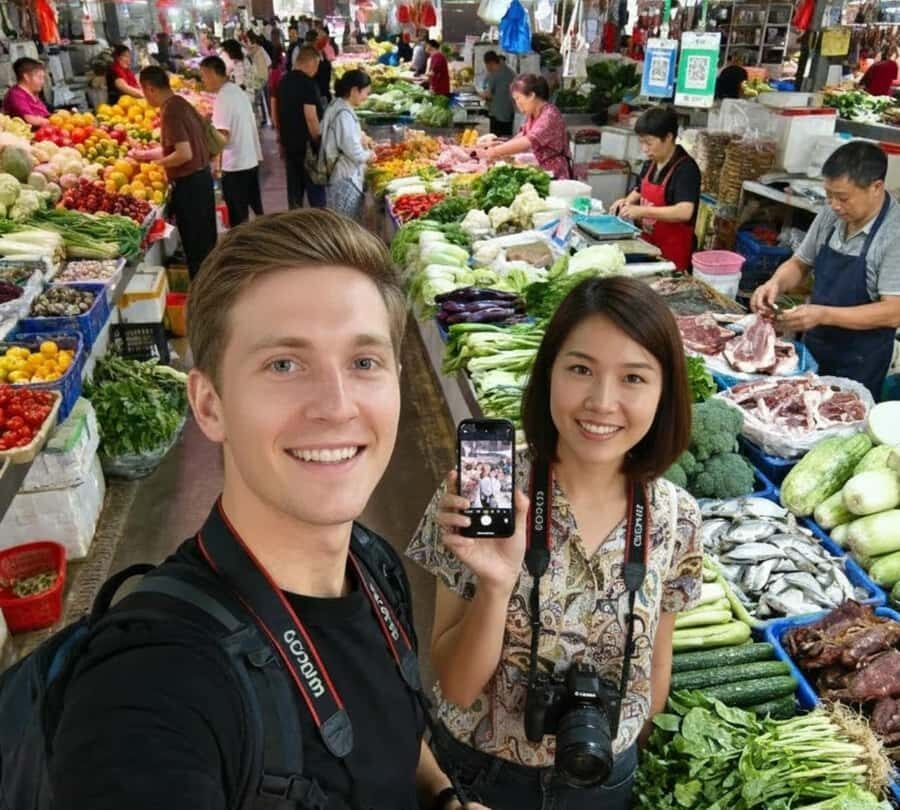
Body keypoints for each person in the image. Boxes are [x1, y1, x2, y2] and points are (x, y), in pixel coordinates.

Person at [49, 209, 491, 810]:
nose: (337, 406)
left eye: (363, 362)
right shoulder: (149, 683)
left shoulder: (373, 565)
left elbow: (388, 729)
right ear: (209, 405)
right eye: (284, 364)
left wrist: (442, 798)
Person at [407, 275, 701, 810]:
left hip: (605, 777)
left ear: (665, 394)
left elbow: (655, 672)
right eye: (580, 369)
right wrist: (495, 586)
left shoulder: (675, 516)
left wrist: (632, 741)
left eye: (634, 378)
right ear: (549, 374)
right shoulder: (486, 490)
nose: (602, 402)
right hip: (482, 775)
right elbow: (458, 688)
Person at [751, 141, 900, 400]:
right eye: (829, 195)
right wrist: (774, 283)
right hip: (816, 345)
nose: (834, 205)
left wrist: (822, 314)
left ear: (876, 187)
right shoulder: (831, 214)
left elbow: (893, 312)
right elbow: (800, 262)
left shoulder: (893, 234)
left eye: (843, 198)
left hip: (859, 361)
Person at [139, 66, 217, 280]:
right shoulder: (181, 103)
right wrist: (146, 155)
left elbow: (184, 153)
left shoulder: (170, 112)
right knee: (206, 247)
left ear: (150, 88)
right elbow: (180, 147)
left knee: (196, 251)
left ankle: (202, 294)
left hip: (190, 187)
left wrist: (159, 164)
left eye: (144, 91)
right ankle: (211, 288)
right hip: (202, 181)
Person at [609, 106, 700, 272]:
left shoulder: (686, 169)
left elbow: (685, 211)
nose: (644, 149)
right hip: (649, 245)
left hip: (673, 253)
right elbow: (640, 189)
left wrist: (642, 211)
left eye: (649, 142)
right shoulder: (651, 163)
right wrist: (626, 202)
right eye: (641, 142)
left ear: (668, 137)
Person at [200, 56, 263, 228]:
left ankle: (245, 244)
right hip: (249, 160)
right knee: (253, 214)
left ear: (213, 73)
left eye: (203, 76)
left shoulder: (223, 98)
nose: (203, 80)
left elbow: (222, 138)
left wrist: (206, 128)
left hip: (235, 166)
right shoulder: (236, 91)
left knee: (239, 219)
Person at [482, 74, 572, 179]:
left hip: (553, 174)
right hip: (540, 169)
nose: (517, 104)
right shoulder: (534, 113)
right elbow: (523, 135)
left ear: (531, 96)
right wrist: (502, 148)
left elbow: (527, 141)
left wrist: (494, 152)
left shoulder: (549, 115)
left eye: (517, 98)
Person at [275, 45, 326, 209]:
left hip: (289, 144)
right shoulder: (308, 84)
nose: (316, 70)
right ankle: (318, 220)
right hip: (307, 148)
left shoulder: (283, 81)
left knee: (294, 190)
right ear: (311, 62)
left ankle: (295, 219)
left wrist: (280, 136)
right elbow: (311, 117)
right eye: (317, 65)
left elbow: (275, 111)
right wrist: (318, 142)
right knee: (315, 191)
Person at [320, 69, 375, 218]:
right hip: (345, 179)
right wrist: (369, 155)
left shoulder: (337, 104)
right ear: (354, 90)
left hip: (339, 177)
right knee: (345, 222)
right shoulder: (343, 113)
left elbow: (344, 137)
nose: (366, 97)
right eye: (365, 93)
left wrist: (360, 136)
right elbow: (354, 152)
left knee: (340, 220)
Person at [2, 57, 50, 128]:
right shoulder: (16, 95)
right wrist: (53, 122)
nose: (42, 81)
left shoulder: (32, 92)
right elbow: (30, 119)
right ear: (26, 77)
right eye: (39, 77)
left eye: (43, 78)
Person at [480, 51, 515, 137]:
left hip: (497, 115)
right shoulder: (510, 72)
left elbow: (488, 95)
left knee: (495, 139)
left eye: (487, 65)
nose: (487, 68)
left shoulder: (494, 73)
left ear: (491, 63)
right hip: (509, 113)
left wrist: (477, 93)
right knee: (506, 138)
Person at [247, 32, 273, 125]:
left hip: (258, 78)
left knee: (256, 99)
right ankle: (268, 118)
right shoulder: (260, 49)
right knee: (264, 98)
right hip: (264, 77)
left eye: (248, 40)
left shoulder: (251, 51)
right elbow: (269, 63)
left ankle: (259, 119)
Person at [307, 29, 333, 102]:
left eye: (325, 38)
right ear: (315, 40)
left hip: (325, 92)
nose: (325, 40)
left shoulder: (323, 52)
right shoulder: (310, 54)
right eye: (322, 38)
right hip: (316, 95)